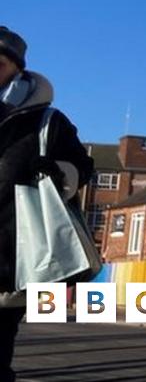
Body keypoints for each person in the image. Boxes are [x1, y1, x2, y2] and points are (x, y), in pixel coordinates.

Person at [0, 27, 93, 382]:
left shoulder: (46, 121)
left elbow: (83, 168)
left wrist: (59, 173)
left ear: (16, 70)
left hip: (11, 257)